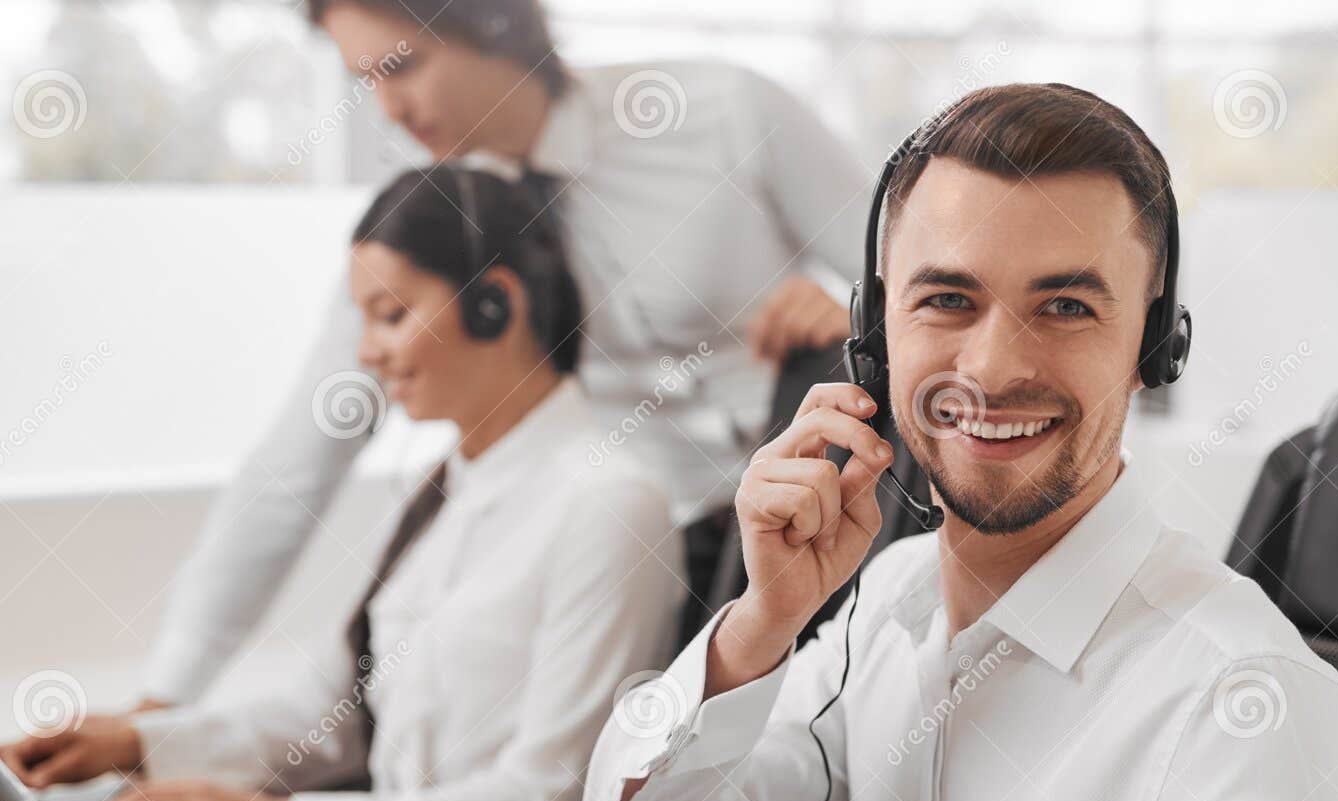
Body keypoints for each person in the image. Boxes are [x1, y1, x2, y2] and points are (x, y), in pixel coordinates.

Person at [566, 84, 1338, 801]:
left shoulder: (1234, 701)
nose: (994, 363)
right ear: (874, 339)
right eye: (947, 299)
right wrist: (761, 622)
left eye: (1064, 304)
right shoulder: (892, 603)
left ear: (1152, 346)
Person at [2, 167, 695, 801]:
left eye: (391, 312)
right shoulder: (446, 491)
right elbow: (333, 709)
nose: (367, 350)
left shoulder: (609, 501)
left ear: (495, 305)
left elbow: (547, 800)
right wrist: (139, 742)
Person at [138, 0, 872, 708]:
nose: (388, 110)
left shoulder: (724, 111)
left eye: (402, 66)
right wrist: (167, 695)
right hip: (652, 574)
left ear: (491, 20)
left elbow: (933, 287)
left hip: (835, 524)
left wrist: (854, 313)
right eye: (367, 82)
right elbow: (297, 461)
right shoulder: (435, 230)